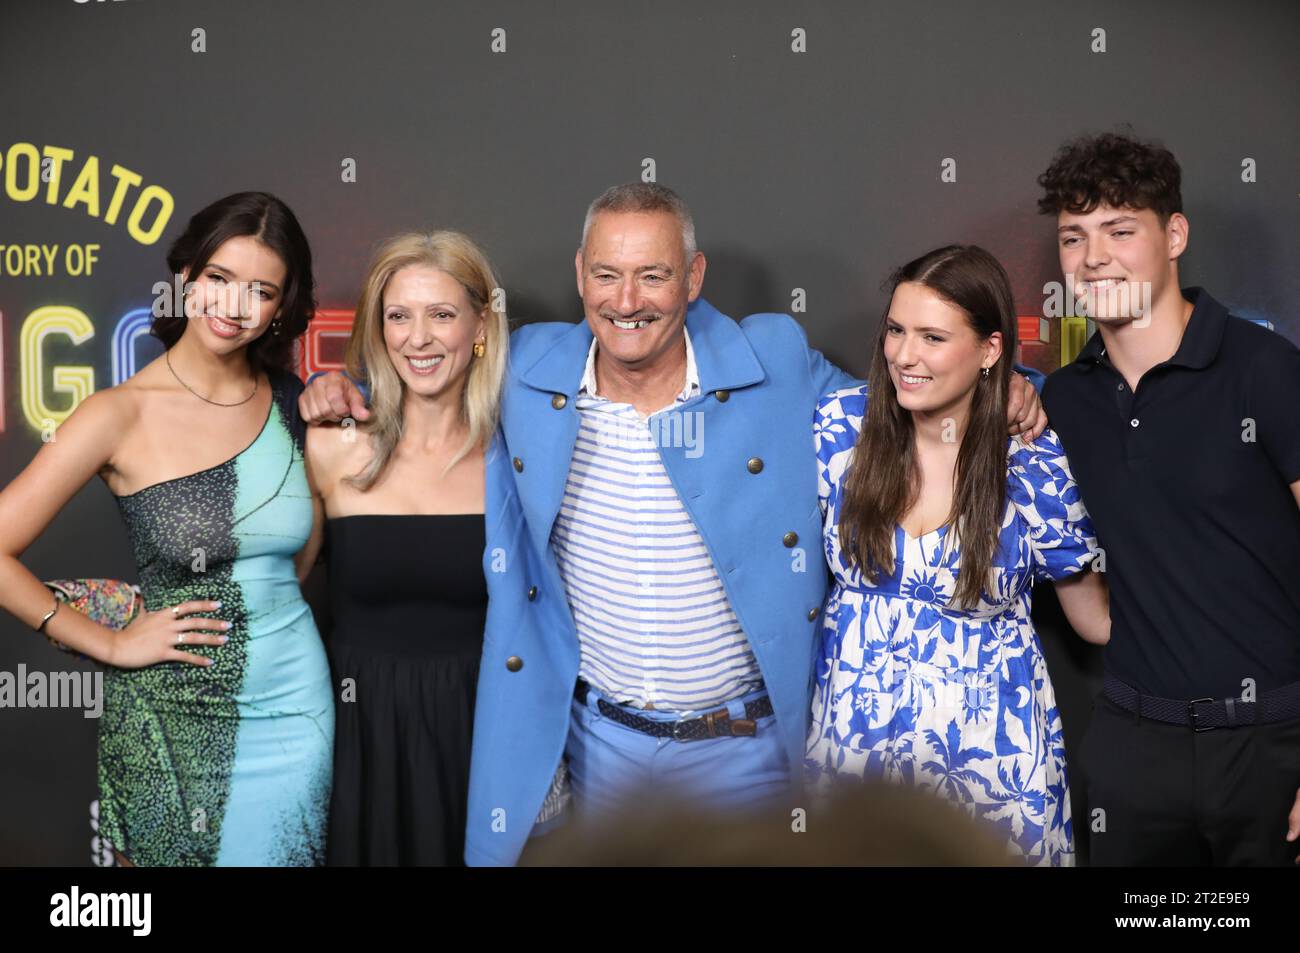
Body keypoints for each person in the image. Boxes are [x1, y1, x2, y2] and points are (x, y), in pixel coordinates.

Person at [298, 182, 1049, 866]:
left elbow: (901, 401)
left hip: (746, 752)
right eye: (606, 275)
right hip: (596, 749)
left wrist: (1012, 383)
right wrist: (334, 385)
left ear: (692, 279)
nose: (627, 300)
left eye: (653, 275)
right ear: (579, 275)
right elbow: (427, 364)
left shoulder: (770, 360)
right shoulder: (530, 369)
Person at [0, 192, 332, 865]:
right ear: (185, 275)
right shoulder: (117, 413)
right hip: (166, 717)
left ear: (281, 308)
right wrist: (113, 644)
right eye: (219, 279)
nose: (234, 306)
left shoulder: (299, 405)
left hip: (294, 708)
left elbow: (303, 556)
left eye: (260, 291)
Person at [1037, 132, 1300, 866]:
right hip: (1132, 746)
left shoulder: (1265, 370)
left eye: (1120, 230)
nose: (1094, 257)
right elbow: (1090, 608)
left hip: (1272, 744)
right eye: (1073, 236)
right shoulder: (1063, 398)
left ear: (1173, 235)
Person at [805, 244, 1110, 867]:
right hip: (854, 741)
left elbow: (1095, 621)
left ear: (991, 350)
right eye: (895, 330)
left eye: (932, 337)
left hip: (992, 757)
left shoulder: (1030, 460)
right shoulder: (839, 428)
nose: (904, 355)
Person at [298, 231, 508, 865]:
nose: (418, 338)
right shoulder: (330, 448)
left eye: (441, 314)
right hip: (357, 735)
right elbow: (274, 593)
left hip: (482, 732)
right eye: (398, 316)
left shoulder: (517, 460)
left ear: (479, 328)